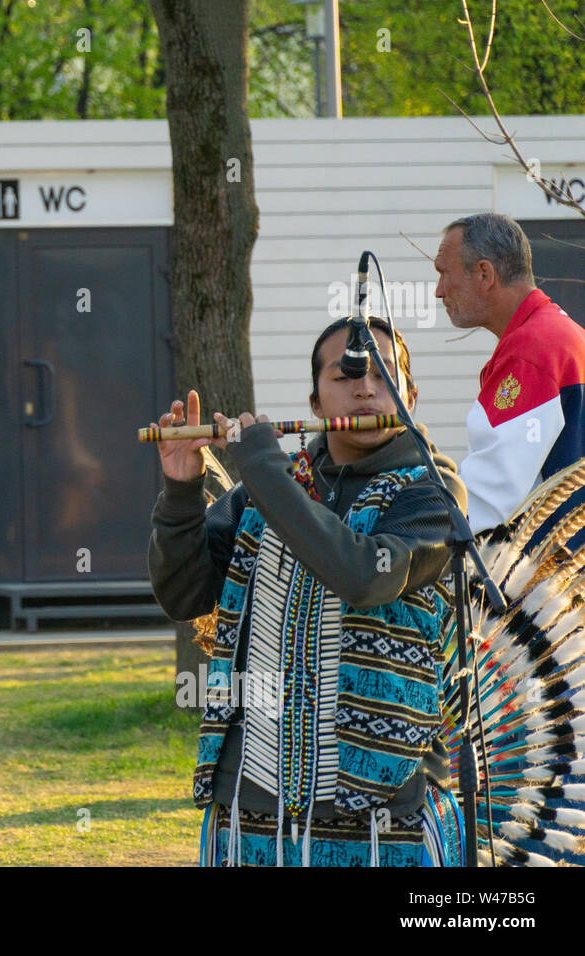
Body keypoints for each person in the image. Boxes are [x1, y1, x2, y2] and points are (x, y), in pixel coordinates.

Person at [148, 318, 467, 866]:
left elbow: (364, 575)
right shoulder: (266, 489)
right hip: (253, 802)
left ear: (410, 397)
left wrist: (265, 472)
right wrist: (181, 490)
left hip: (388, 811)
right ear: (316, 403)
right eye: (345, 375)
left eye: (385, 375)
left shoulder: (433, 490)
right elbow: (185, 595)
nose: (366, 389)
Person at [434, 213, 585, 533]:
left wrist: (417, 541)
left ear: (484, 274)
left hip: (547, 574)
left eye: (444, 274)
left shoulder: (532, 349)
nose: (438, 291)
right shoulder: (561, 334)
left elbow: (487, 499)